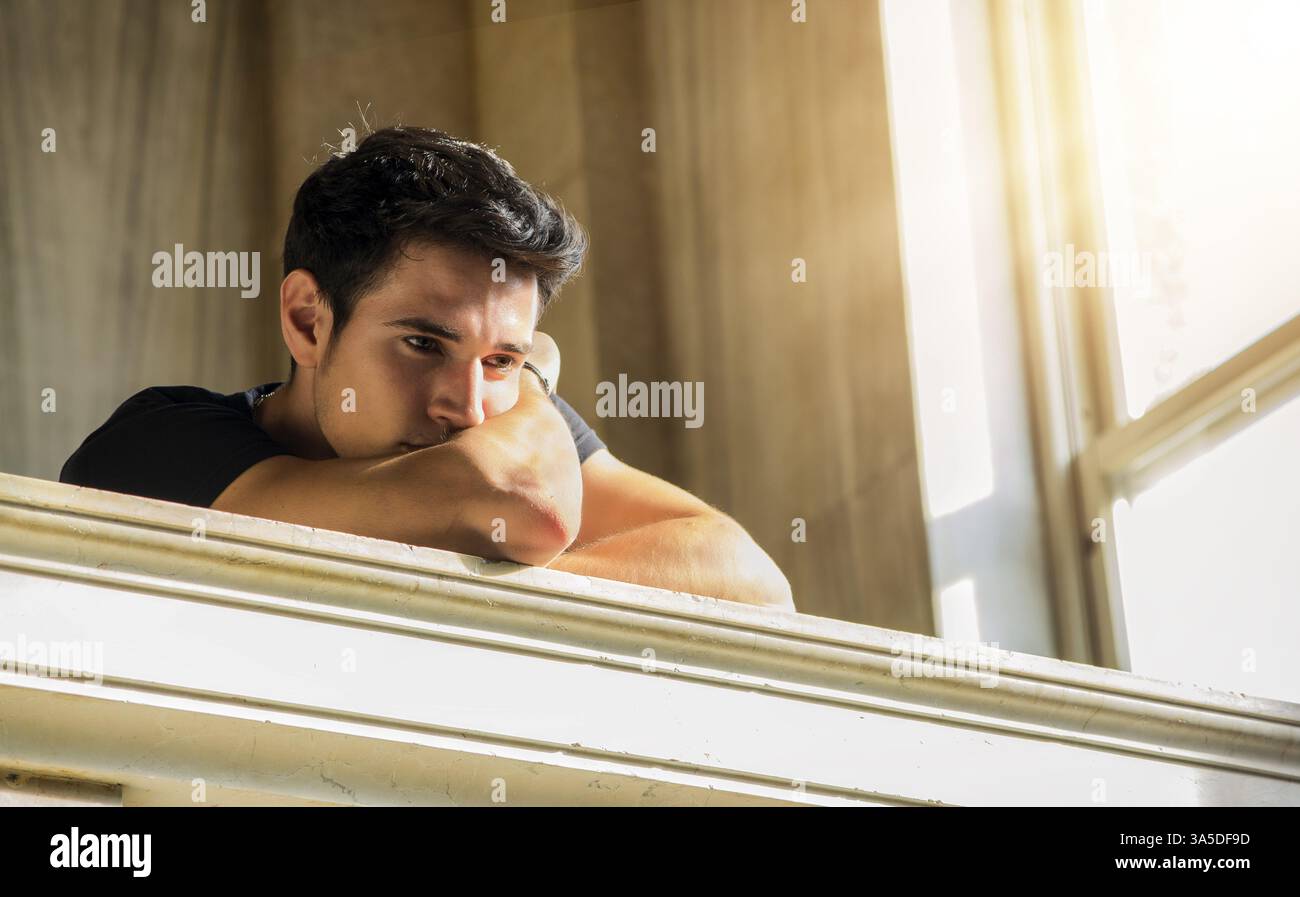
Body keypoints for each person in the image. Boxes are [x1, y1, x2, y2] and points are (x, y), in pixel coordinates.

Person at [60, 126, 794, 611]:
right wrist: (535, 377)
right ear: (308, 320)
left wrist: (493, 602)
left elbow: (752, 577)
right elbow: (522, 497)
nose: (469, 408)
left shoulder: (499, 417)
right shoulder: (156, 448)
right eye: (423, 344)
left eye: (502, 357)